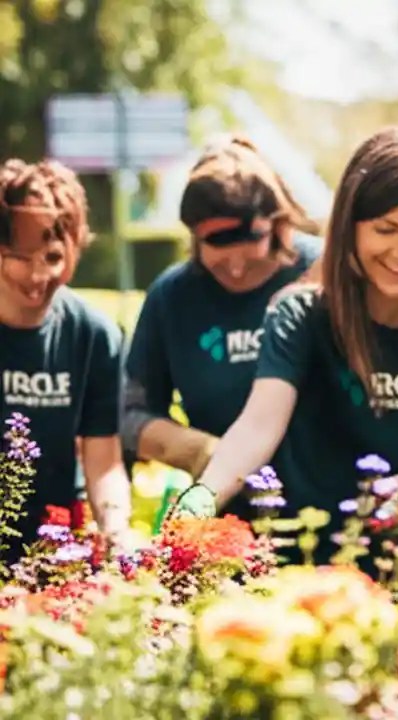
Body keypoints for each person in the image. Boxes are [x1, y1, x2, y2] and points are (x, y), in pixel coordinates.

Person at [177, 126, 398, 623]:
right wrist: (199, 500)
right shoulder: (300, 316)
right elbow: (257, 426)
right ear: (351, 225)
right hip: (310, 581)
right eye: (385, 229)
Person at [122, 136, 322, 520]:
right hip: (227, 518)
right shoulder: (172, 298)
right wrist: (204, 453)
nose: (234, 266)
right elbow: (129, 414)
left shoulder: (323, 271)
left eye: (250, 244)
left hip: (331, 513)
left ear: (278, 224)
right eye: (215, 245)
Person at [0, 159, 130, 557]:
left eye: (53, 257)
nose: (37, 276)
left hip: (54, 544)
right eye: (19, 257)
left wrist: (115, 528)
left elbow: (103, 459)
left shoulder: (93, 334)